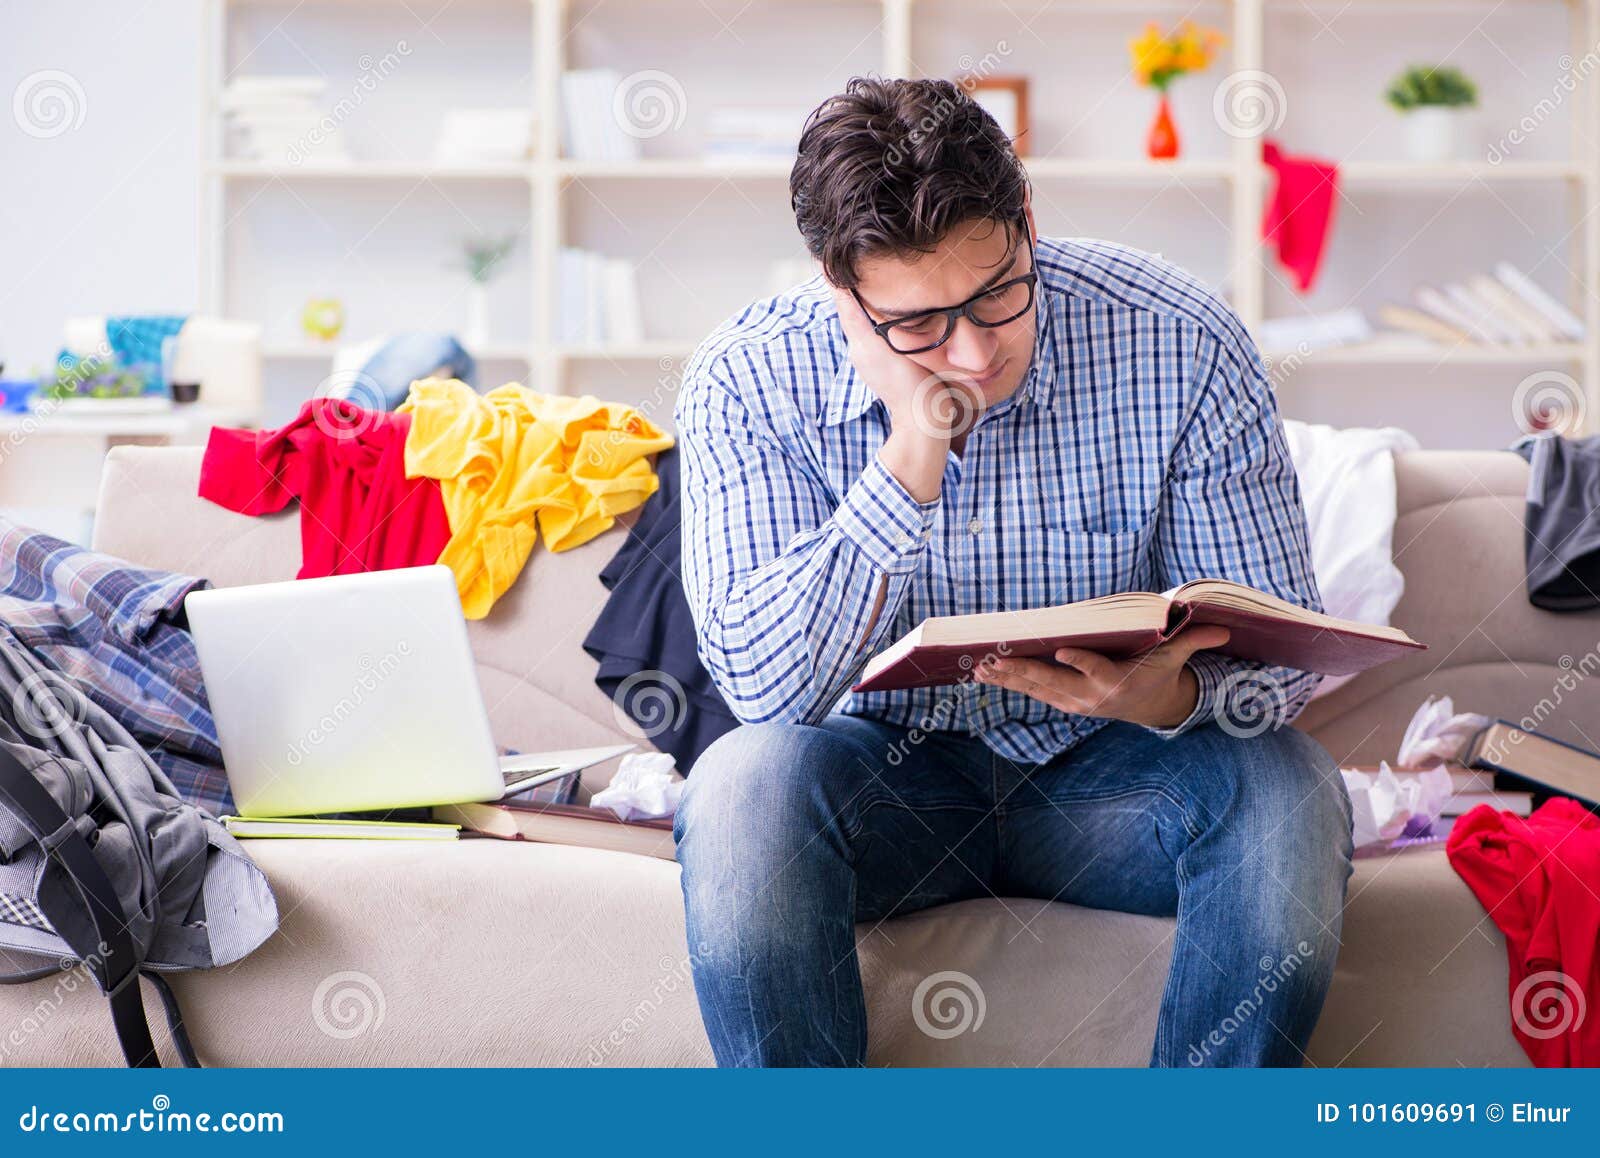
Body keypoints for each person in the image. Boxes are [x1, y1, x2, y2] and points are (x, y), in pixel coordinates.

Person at [672, 76, 1353, 1067]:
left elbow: (1279, 657)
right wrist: (910, 453)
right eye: (917, 322)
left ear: (1027, 223)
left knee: (1288, 788)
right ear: (839, 289)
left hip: (1116, 782)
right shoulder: (745, 378)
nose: (975, 351)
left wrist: (1171, 695)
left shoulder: (1180, 338)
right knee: (741, 787)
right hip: (881, 787)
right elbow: (765, 690)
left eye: (998, 291)